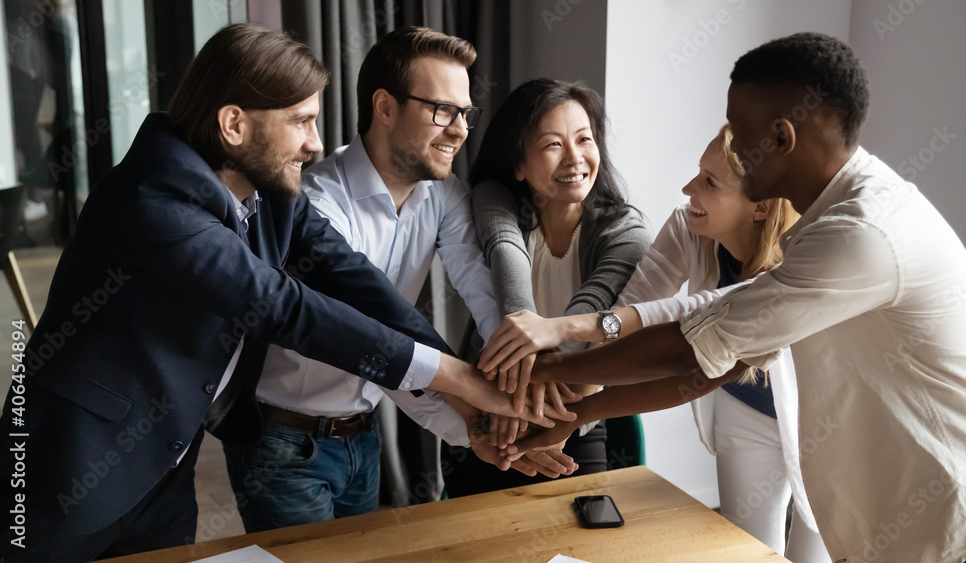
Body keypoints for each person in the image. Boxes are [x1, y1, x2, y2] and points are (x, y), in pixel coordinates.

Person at [0, 24, 545, 562]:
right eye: (302, 121)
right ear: (234, 124)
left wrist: (459, 390)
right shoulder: (151, 198)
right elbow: (283, 306)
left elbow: (358, 283)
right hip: (63, 465)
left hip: (165, 464)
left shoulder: (273, 189)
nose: (314, 141)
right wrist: (457, 378)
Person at [493, 32, 966, 562]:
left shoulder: (860, 232)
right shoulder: (834, 214)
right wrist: (575, 409)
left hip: (962, 525)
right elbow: (712, 361)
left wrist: (539, 373)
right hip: (898, 523)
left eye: (740, 130)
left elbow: (691, 342)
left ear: (780, 138)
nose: (728, 143)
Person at [222, 27, 577, 533]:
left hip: (364, 435)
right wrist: (473, 411)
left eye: (465, 113)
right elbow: (371, 336)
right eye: (442, 111)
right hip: (284, 443)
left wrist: (518, 384)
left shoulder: (445, 195)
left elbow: (481, 289)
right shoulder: (319, 203)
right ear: (385, 107)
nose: (460, 130)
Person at [480, 124, 831, 561]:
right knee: (750, 548)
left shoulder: (801, 260)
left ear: (760, 206)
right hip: (744, 404)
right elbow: (638, 309)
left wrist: (562, 331)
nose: (688, 189)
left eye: (709, 182)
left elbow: (690, 318)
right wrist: (567, 415)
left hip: (824, 421)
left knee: (815, 550)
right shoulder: (688, 225)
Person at [442, 78, 652, 496]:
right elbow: (509, 270)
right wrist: (511, 400)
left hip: (575, 412)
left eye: (584, 140)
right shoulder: (494, 201)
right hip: (492, 408)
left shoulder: (625, 231)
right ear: (518, 163)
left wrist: (541, 409)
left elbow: (587, 316)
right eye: (553, 144)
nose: (575, 158)